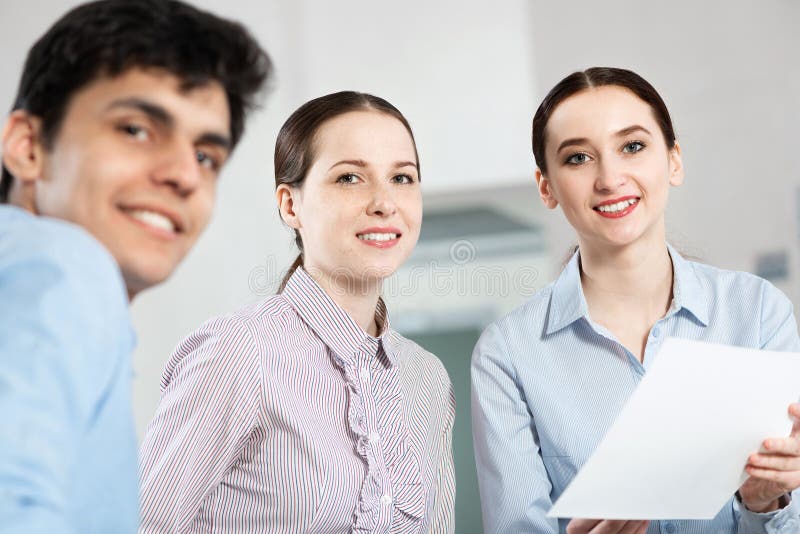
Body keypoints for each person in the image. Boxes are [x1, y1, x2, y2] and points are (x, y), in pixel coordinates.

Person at [471, 67, 800, 533]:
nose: (609, 178)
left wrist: (765, 504)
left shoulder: (758, 312)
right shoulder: (508, 353)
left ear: (674, 161)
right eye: (578, 157)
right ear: (547, 187)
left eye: (632, 146)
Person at [0, 1, 271, 531]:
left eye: (206, 156)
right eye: (136, 129)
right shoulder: (68, 265)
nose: (184, 176)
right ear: (27, 146)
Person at [138, 91, 456, 533]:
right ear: (291, 205)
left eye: (402, 178)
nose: (385, 202)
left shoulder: (426, 378)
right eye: (349, 178)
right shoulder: (239, 352)